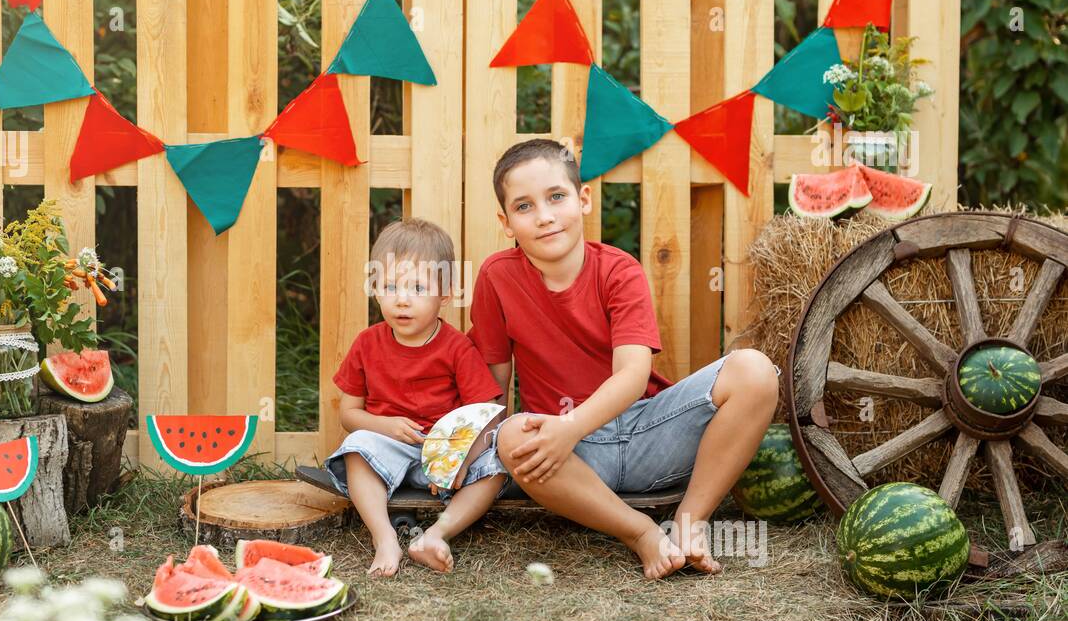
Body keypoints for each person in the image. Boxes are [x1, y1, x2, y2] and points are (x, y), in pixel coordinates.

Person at [467, 139, 781, 579]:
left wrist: (568, 427)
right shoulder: (497, 278)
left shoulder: (619, 270)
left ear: (584, 199)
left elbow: (633, 377)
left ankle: (689, 525)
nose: (545, 216)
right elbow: (493, 388)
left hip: (645, 433)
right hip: (572, 459)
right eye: (524, 206)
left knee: (756, 370)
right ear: (505, 222)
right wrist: (480, 456)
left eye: (556, 197)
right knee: (512, 434)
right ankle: (641, 533)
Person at [324, 218, 508, 577]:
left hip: (445, 455)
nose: (402, 299)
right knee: (356, 446)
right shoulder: (367, 343)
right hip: (387, 448)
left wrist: (458, 459)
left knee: (496, 466)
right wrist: (384, 426)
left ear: (445, 294)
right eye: (390, 286)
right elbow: (349, 413)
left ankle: (437, 534)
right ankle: (384, 536)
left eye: (417, 288)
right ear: (375, 289)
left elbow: (487, 416)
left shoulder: (457, 347)